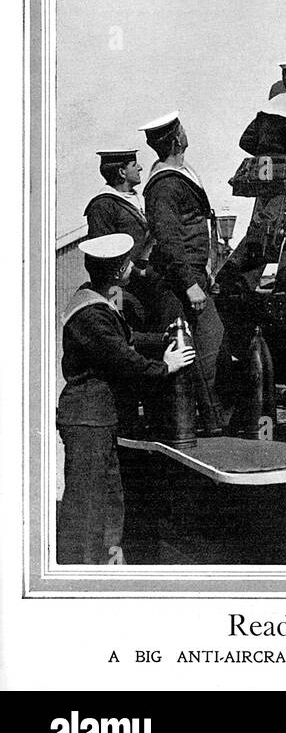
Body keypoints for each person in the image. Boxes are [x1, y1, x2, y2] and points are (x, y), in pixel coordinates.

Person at [56, 233, 194, 564]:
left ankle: (101, 558)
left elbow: (128, 337)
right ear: (118, 272)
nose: (132, 267)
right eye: (128, 263)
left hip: (96, 415)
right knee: (88, 502)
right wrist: (166, 366)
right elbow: (121, 357)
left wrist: (162, 338)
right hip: (88, 414)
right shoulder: (91, 313)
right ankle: (81, 571)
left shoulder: (91, 299)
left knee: (103, 493)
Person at [141, 111, 227, 434]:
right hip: (178, 283)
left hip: (192, 277)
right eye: (182, 128)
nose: (186, 131)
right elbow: (168, 236)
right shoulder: (163, 185)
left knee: (210, 348)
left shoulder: (180, 174)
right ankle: (186, 427)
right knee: (191, 351)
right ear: (176, 138)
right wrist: (190, 284)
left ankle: (214, 423)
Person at [84, 147, 177, 330]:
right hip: (122, 290)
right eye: (135, 165)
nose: (141, 168)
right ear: (122, 172)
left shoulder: (139, 199)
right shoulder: (103, 205)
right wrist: (116, 302)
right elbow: (103, 260)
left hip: (146, 287)